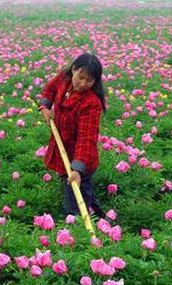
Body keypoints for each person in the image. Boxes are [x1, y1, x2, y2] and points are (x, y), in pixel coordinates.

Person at [38, 53, 106, 219]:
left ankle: (78, 226)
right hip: (63, 146)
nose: (83, 84)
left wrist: (77, 170)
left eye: (89, 81)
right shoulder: (64, 78)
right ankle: (98, 214)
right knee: (81, 190)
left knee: (76, 197)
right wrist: (45, 107)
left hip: (81, 157)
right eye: (80, 77)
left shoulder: (91, 103)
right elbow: (50, 89)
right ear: (73, 69)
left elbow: (86, 139)